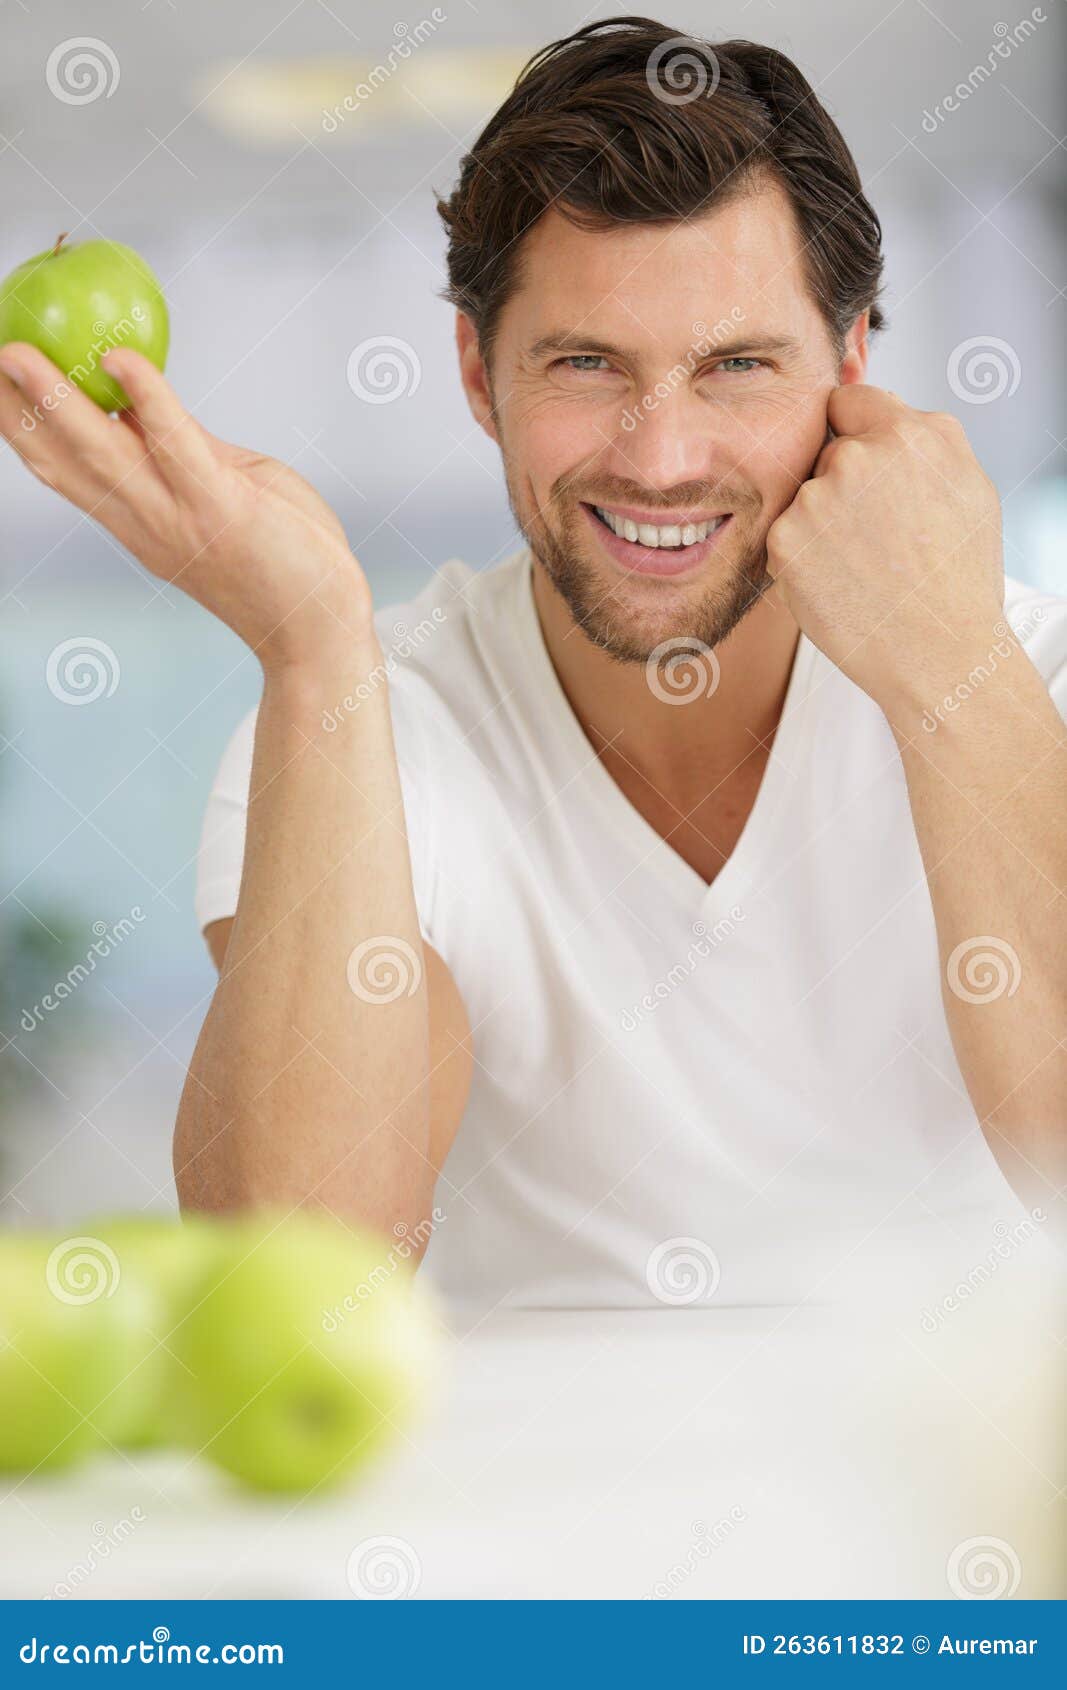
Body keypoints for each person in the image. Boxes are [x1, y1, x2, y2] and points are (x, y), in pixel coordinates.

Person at [1, 19, 1063, 1312]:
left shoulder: (1031, 672)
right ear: (478, 377)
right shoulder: (362, 719)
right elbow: (303, 1269)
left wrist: (950, 663)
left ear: (847, 373)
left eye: (736, 365)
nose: (661, 456)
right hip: (521, 1514)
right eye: (584, 364)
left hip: (966, 1502)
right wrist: (311, 643)